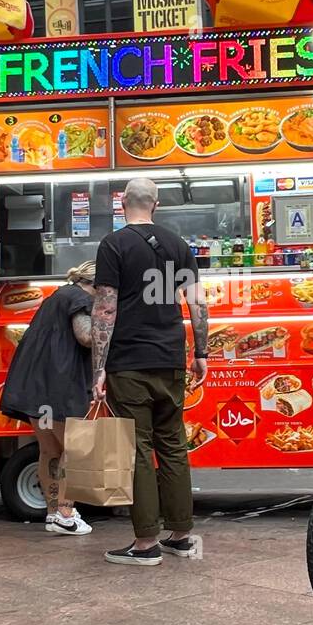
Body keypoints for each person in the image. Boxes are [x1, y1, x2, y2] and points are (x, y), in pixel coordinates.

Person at [91, 178, 208, 566]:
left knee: (139, 448)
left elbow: (105, 309)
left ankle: (145, 544)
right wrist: (201, 353)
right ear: (155, 205)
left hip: (129, 360)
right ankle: (182, 535)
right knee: (173, 444)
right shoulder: (178, 245)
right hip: (171, 357)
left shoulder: (113, 245)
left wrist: (99, 368)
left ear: (123, 203)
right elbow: (198, 303)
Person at [0, 262, 97, 536]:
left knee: (50, 451)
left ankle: (53, 513)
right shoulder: (80, 299)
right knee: (74, 451)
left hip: (36, 385)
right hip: (61, 386)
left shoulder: (57, 296)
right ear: (96, 284)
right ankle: (66, 513)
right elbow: (86, 336)